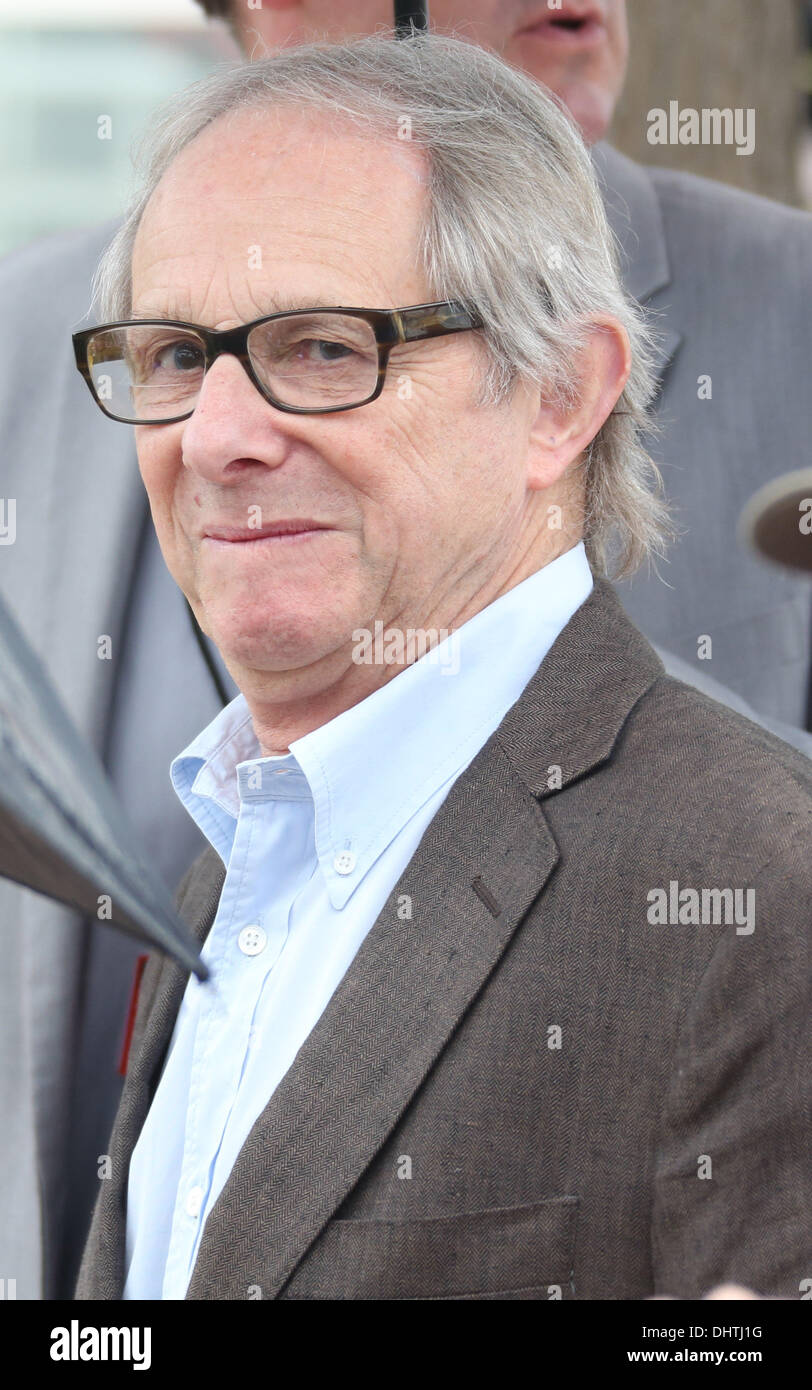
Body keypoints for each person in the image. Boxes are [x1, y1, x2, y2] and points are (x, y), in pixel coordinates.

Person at [1, 0, 810, 1301]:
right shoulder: (233, 847)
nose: (216, 437)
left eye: (321, 349)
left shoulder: (759, 896)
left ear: (561, 395)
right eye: (170, 357)